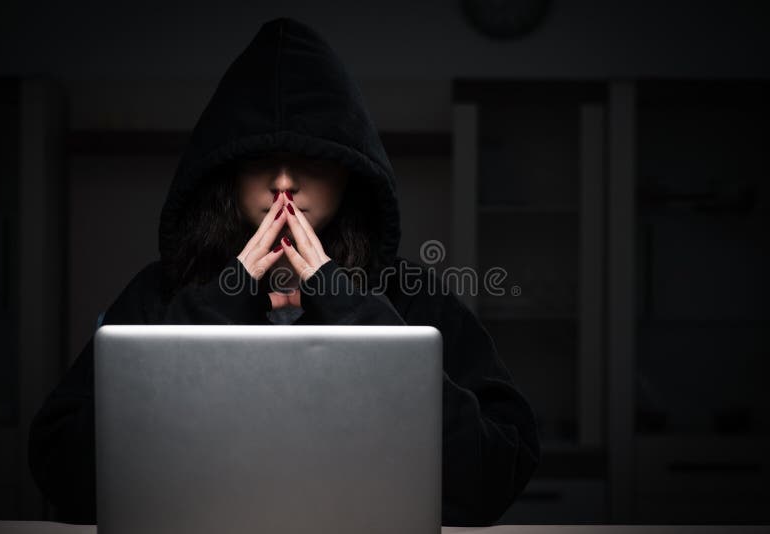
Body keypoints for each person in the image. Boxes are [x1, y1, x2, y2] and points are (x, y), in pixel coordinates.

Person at [28, 16, 540, 527]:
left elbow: (496, 472)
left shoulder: (410, 296)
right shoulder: (162, 290)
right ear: (227, 171)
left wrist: (350, 307)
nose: (284, 182)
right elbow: (63, 472)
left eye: (311, 160)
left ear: (348, 173)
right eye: (261, 162)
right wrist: (215, 306)